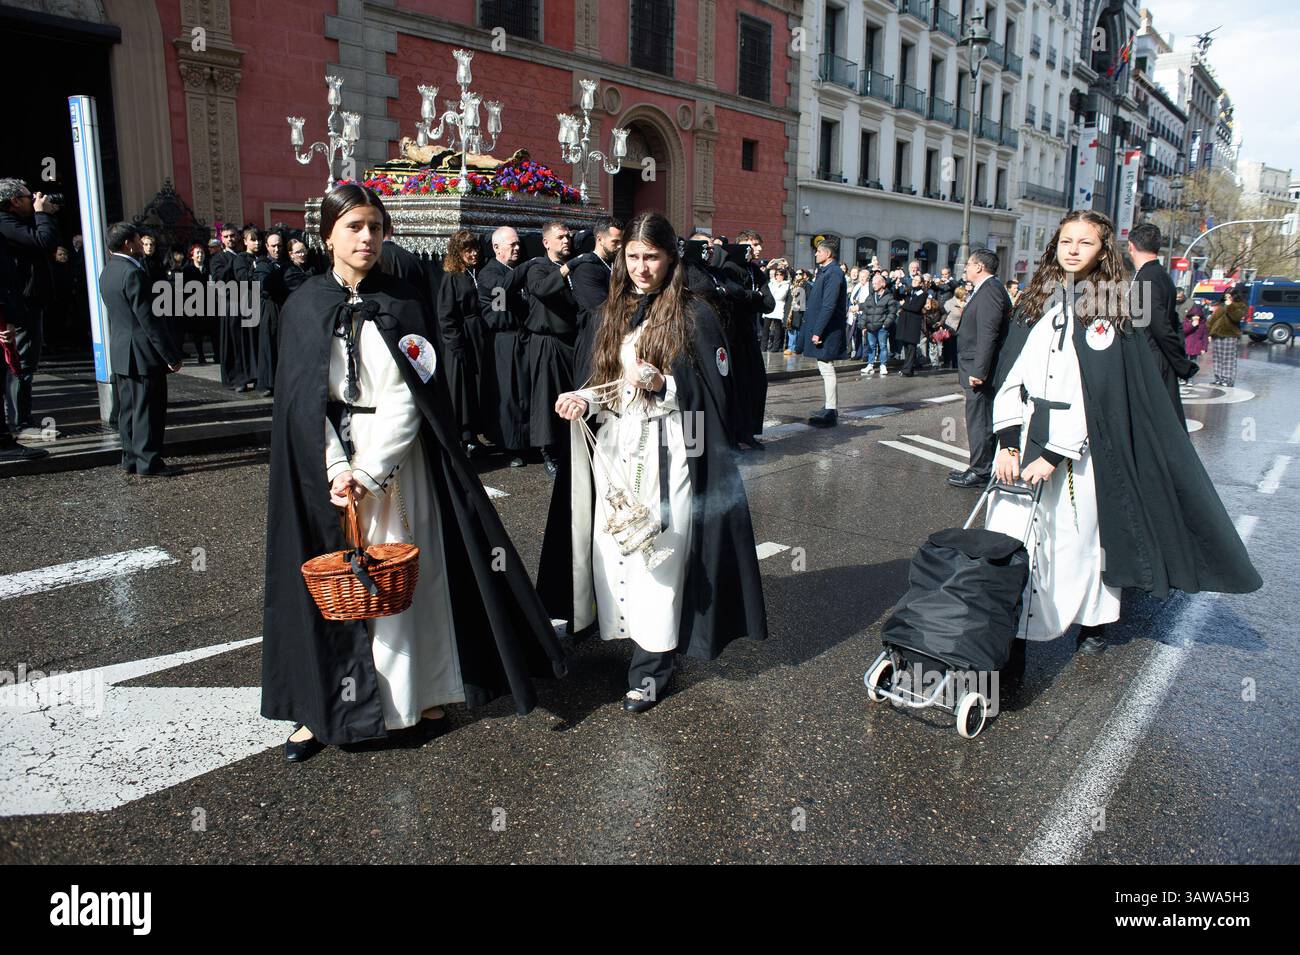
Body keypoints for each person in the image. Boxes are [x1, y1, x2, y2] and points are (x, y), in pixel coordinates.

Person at [261, 184, 567, 762]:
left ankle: (413, 699)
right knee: (327, 587)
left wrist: (370, 471)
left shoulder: (405, 299)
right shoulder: (303, 307)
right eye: (354, 226)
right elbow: (302, 402)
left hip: (397, 470)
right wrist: (334, 466)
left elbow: (412, 395)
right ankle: (316, 708)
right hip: (323, 469)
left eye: (375, 226)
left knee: (401, 586)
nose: (367, 238)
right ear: (328, 233)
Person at [986, 209, 1260, 672]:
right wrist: (1009, 442)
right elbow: (1012, 378)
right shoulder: (1040, 301)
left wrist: (1056, 454)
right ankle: (1017, 631)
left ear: (1103, 251)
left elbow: (1105, 395)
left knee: (1081, 541)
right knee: (1021, 540)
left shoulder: (1110, 307)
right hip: (1029, 437)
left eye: (1085, 243)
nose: (1073, 250)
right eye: (1066, 241)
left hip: (1083, 453)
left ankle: (1093, 624)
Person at [540, 211, 767, 711]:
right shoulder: (607, 313)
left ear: (671, 259)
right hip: (616, 448)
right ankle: (625, 635)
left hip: (670, 449)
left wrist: (666, 386)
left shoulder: (695, 315)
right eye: (635, 256)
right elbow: (601, 384)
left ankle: (653, 664)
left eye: (653, 257)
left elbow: (717, 399)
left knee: (658, 553)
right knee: (615, 545)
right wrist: (582, 400)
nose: (642, 267)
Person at [98, 222, 184, 477]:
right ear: (128, 243)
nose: (140, 243)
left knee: (128, 409)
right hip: (142, 353)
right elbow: (149, 320)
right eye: (137, 239)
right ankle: (149, 462)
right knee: (148, 410)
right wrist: (170, 355)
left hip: (122, 350)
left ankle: (130, 458)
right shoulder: (132, 273)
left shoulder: (108, 271)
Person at [0, 178, 60, 432]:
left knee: (25, 362)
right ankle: (20, 423)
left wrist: (44, 215)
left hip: (27, 303)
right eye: (28, 197)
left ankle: (20, 420)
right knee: (21, 363)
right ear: (14, 201)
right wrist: (41, 214)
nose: (34, 198)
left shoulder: (15, 222)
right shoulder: (4, 222)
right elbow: (43, 241)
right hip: (21, 306)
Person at [523, 221, 582, 478]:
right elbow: (541, 289)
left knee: (571, 395)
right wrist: (568, 269)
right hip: (546, 342)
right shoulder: (538, 267)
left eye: (568, 236)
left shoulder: (573, 269)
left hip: (570, 341)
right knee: (547, 396)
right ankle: (549, 452)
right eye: (560, 237)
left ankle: (571, 447)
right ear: (546, 242)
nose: (566, 241)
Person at [949, 248, 1011, 488]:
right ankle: (980, 466)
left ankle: (980, 471)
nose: (965, 267)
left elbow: (988, 334)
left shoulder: (991, 291)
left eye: (968, 264)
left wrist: (979, 370)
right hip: (974, 363)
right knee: (979, 419)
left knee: (980, 421)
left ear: (979, 267)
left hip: (979, 367)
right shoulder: (986, 289)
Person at [1128, 223, 1195, 424]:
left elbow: (1161, 326)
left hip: (1151, 361)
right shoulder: (1162, 276)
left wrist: (1182, 364)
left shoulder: (1145, 278)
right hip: (1158, 358)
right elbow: (1171, 321)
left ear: (1131, 246)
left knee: (1156, 427)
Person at [476, 226, 532, 467]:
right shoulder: (490, 273)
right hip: (502, 340)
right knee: (507, 394)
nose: (517, 248)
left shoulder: (515, 270)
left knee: (524, 392)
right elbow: (501, 294)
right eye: (512, 244)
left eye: (518, 243)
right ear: (497, 248)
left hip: (522, 337)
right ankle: (509, 445)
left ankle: (525, 441)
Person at [434, 228, 482, 455]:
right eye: (468, 249)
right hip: (460, 341)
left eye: (475, 248)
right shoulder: (451, 278)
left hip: (476, 338)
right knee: (460, 390)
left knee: (473, 388)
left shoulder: (473, 273)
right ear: (457, 252)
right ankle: (462, 436)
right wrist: (457, 345)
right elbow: (446, 316)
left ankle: (472, 433)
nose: (473, 253)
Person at [803, 238, 847, 427]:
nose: (816, 254)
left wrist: (818, 331)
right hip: (823, 329)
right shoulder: (827, 272)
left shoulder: (834, 273)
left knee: (827, 369)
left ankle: (831, 411)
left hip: (827, 330)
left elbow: (828, 306)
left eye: (819, 251)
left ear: (828, 254)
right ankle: (829, 407)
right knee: (824, 368)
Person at [209, 223, 255, 391]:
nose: (230, 239)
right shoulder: (218, 258)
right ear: (222, 238)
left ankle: (251, 374)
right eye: (227, 236)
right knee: (234, 343)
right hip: (230, 305)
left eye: (233, 235)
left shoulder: (247, 255)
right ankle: (237, 378)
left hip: (248, 302)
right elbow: (219, 279)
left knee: (249, 341)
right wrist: (234, 263)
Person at [254, 228, 287, 396]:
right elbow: (263, 285)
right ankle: (268, 382)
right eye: (273, 246)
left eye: (279, 246)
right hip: (270, 308)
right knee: (269, 344)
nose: (276, 249)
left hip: (285, 308)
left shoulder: (287, 263)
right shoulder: (262, 264)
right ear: (267, 246)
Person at [567, 216, 623, 316]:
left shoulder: (617, 263)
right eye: (615, 242)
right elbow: (600, 308)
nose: (620, 246)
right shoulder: (585, 269)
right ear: (600, 239)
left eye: (621, 242)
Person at [857, 272, 896, 376]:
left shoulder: (888, 297)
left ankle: (883, 365)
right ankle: (870, 364)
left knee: (883, 346)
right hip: (870, 326)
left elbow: (892, 313)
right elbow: (865, 312)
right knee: (871, 346)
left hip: (882, 326)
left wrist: (885, 324)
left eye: (875, 283)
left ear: (882, 284)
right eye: (873, 283)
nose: (873, 285)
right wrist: (862, 325)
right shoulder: (870, 297)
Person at [182, 244, 215, 364]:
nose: (200, 255)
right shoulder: (187, 270)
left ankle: (217, 354)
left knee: (212, 330)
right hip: (195, 303)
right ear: (192, 255)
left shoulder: (208, 268)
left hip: (209, 303)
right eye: (197, 253)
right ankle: (201, 354)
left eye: (202, 253)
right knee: (197, 332)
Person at [1207, 290, 1244, 387]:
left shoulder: (1240, 305)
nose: (1227, 298)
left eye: (1229, 296)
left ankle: (1228, 379)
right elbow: (1213, 318)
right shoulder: (1222, 305)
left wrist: (1230, 306)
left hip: (1230, 334)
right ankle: (1218, 378)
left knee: (1228, 358)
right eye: (1226, 296)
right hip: (1217, 333)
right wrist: (1208, 332)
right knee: (1218, 357)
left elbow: (1236, 317)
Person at [894, 273, 927, 377]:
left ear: (921, 283)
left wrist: (904, 305)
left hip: (913, 322)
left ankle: (906, 370)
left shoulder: (923, 294)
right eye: (914, 279)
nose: (914, 281)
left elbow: (916, 308)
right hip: (905, 321)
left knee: (911, 346)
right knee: (906, 346)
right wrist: (896, 288)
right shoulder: (909, 290)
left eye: (917, 280)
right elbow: (897, 297)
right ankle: (909, 368)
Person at [763, 267, 790, 353]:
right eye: (777, 274)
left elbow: (780, 296)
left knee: (778, 329)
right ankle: (763, 346)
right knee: (765, 329)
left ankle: (775, 347)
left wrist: (774, 292)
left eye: (780, 274)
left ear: (784, 276)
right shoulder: (771, 283)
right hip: (769, 307)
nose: (778, 276)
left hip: (779, 308)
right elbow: (768, 293)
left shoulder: (786, 284)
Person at [940, 284, 966, 369]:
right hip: (951, 328)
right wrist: (941, 324)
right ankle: (950, 363)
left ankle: (957, 363)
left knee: (960, 347)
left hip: (962, 328)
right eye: (965, 294)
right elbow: (944, 314)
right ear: (960, 294)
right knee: (951, 347)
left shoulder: (967, 303)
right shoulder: (950, 303)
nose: (966, 295)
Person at [1182, 295, 1209, 365]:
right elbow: (1183, 332)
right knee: (1184, 365)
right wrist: (1192, 326)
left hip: (1196, 348)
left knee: (1192, 365)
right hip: (1185, 348)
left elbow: (1205, 336)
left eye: (1198, 316)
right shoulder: (1186, 321)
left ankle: (1191, 375)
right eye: (1194, 316)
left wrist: (1204, 348)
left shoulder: (1202, 324)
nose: (1196, 317)